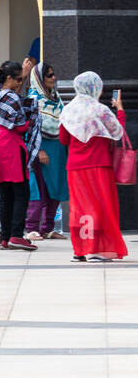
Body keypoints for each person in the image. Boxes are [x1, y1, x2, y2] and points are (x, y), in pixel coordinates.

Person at [58, 73, 128, 262]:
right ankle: (99, 250)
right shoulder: (101, 111)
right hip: (98, 165)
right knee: (101, 206)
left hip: (74, 167)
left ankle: (79, 250)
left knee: (79, 208)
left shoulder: (68, 110)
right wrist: (120, 110)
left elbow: (64, 139)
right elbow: (117, 133)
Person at [0, 59, 40, 251]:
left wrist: (24, 77)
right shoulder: (12, 99)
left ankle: (5, 237)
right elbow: (20, 125)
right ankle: (17, 235)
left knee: (5, 193)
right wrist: (32, 120)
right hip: (10, 146)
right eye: (18, 79)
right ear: (9, 78)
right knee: (21, 192)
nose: (20, 82)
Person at [26, 64, 67, 241]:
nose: (53, 78)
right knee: (39, 189)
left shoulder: (56, 98)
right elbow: (29, 128)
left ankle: (47, 228)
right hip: (41, 149)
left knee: (55, 188)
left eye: (54, 74)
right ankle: (32, 228)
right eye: (49, 75)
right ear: (39, 80)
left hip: (58, 148)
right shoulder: (33, 99)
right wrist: (39, 150)